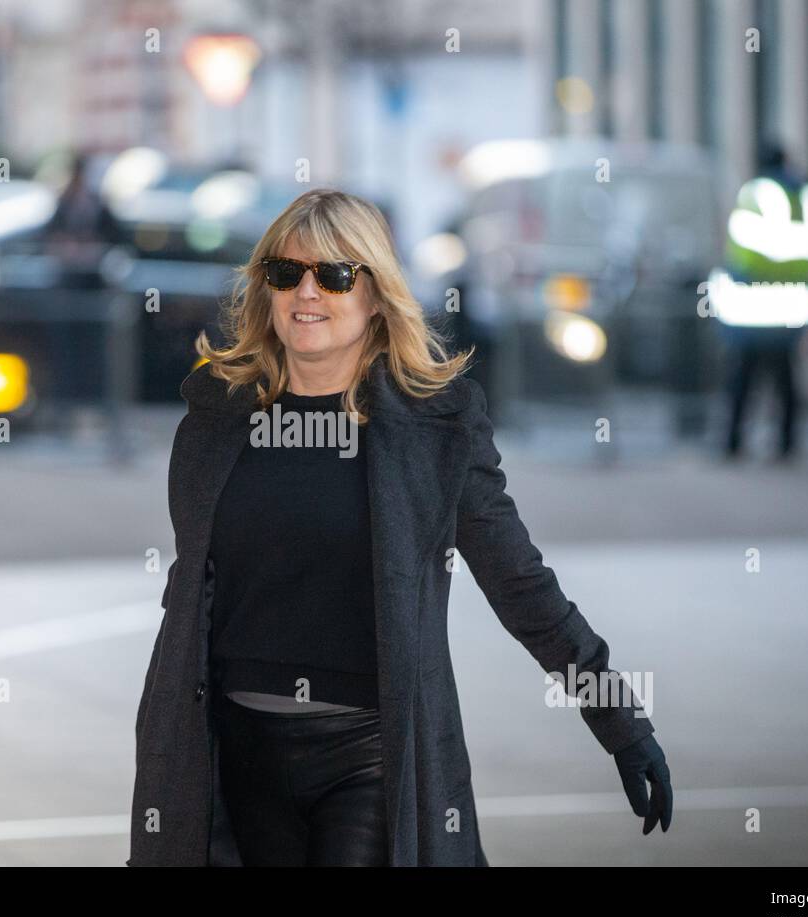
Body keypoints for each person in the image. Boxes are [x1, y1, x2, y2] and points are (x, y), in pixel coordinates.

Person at [128, 188, 671, 867]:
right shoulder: (215, 419)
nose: (307, 293)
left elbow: (519, 583)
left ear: (377, 294)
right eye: (285, 273)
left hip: (369, 760)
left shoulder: (432, 429)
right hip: (235, 754)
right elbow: (189, 601)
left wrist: (618, 718)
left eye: (334, 275)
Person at [717, 141, 808, 461]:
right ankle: (786, 443)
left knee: (744, 377)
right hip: (793, 303)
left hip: (754, 305)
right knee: (785, 377)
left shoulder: (755, 194)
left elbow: (739, 252)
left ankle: (733, 442)